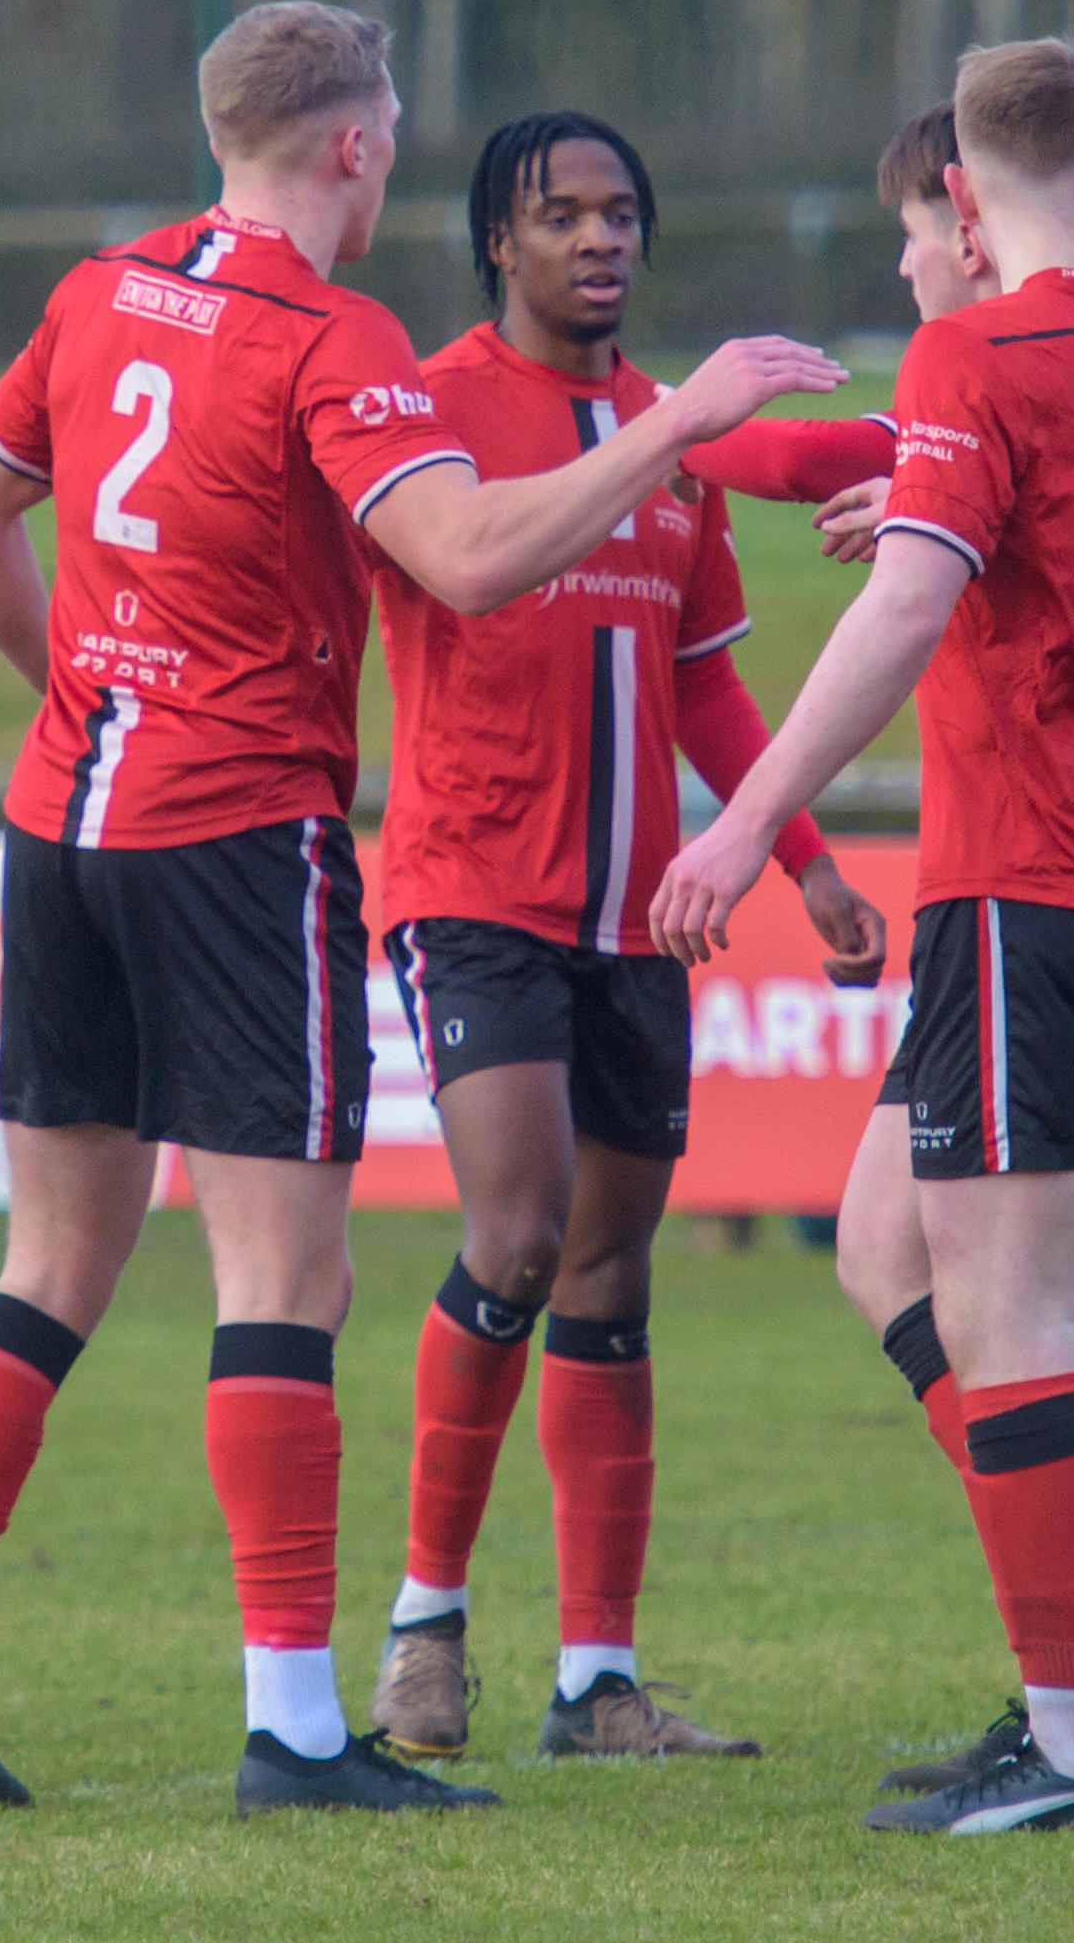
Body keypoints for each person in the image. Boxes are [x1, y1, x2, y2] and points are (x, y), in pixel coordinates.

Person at [0, 0, 841, 1816]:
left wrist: (81, 691)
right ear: (357, 148)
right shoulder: (330, 330)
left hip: (62, 820)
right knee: (282, 1274)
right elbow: (462, 554)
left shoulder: (98, 288)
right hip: (232, 835)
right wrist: (673, 422)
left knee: (50, 1263)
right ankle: (300, 1725)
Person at [658, 36, 1074, 1839]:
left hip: (1036, 882)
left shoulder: (972, 347)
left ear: (963, 202)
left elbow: (912, 598)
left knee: (1008, 1316)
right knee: (1001, 1286)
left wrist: (744, 820)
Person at [362, 109, 889, 1763]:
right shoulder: (431, 413)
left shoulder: (675, 433)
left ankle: (596, 1678)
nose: (598, 238)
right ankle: (419, 1624)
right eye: (560, 213)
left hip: (636, 918)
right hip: (469, 890)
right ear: (493, 245)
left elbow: (702, 680)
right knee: (512, 1231)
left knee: (605, 1270)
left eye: (619, 211)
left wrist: (798, 862)